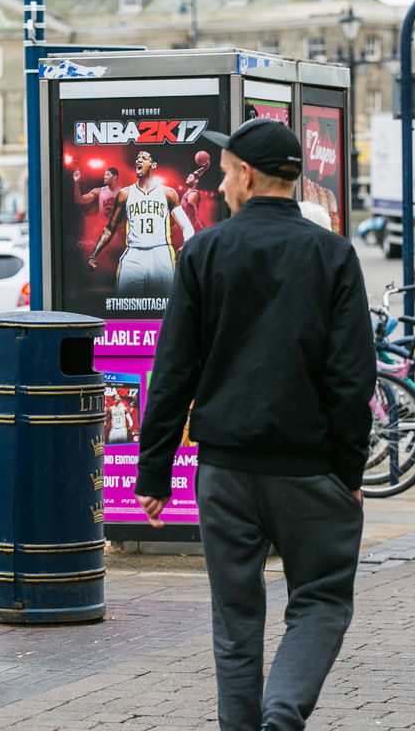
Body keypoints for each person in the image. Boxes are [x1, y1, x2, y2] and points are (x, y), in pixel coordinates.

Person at [134, 118, 375, 730]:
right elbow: (352, 376)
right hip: (309, 467)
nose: (219, 178)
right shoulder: (333, 254)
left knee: (235, 617)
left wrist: (154, 474)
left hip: (225, 469)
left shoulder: (205, 251)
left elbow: (173, 372)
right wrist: (348, 469)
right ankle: (283, 714)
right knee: (319, 602)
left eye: (224, 169)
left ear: (244, 174)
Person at [87, 151, 196, 297]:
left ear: (153, 165)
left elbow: (186, 225)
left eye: (144, 158)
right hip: (133, 254)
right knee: (125, 306)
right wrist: (93, 255)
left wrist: (187, 243)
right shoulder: (126, 194)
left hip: (161, 254)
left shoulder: (168, 193)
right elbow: (109, 228)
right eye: (137, 158)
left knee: (165, 307)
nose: (139, 160)